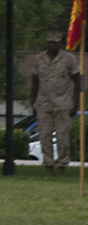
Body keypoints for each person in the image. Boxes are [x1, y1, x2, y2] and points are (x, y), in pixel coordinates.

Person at [22, 30, 80, 177]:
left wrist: (76, 104)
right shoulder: (39, 59)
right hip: (43, 103)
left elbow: (77, 81)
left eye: (55, 42)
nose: (52, 45)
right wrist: (33, 102)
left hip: (63, 103)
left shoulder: (69, 59)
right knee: (44, 136)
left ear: (60, 43)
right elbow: (34, 83)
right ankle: (48, 167)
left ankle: (62, 166)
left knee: (62, 137)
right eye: (50, 42)